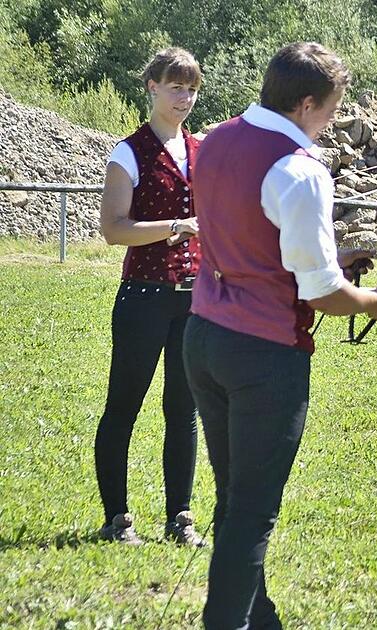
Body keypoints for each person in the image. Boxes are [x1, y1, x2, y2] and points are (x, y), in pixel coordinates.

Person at [183, 41, 377, 629]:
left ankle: (262, 621)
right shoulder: (302, 169)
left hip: (204, 334)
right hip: (264, 355)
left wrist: (334, 257)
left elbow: (247, 232)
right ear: (307, 103)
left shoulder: (211, 142)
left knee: (234, 499)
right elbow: (323, 295)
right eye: (332, 109)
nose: (334, 121)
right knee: (251, 513)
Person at [95, 47, 207, 547]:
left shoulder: (202, 150)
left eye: (191, 88)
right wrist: (176, 228)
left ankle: (179, 517)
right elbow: (113, 230)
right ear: (152, 88)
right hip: (143, 297)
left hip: (193, 300)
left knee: (184, 411)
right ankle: (117, 517)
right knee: (124, 406)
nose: (184, 97)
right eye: (175, 86)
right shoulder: (128, 152)